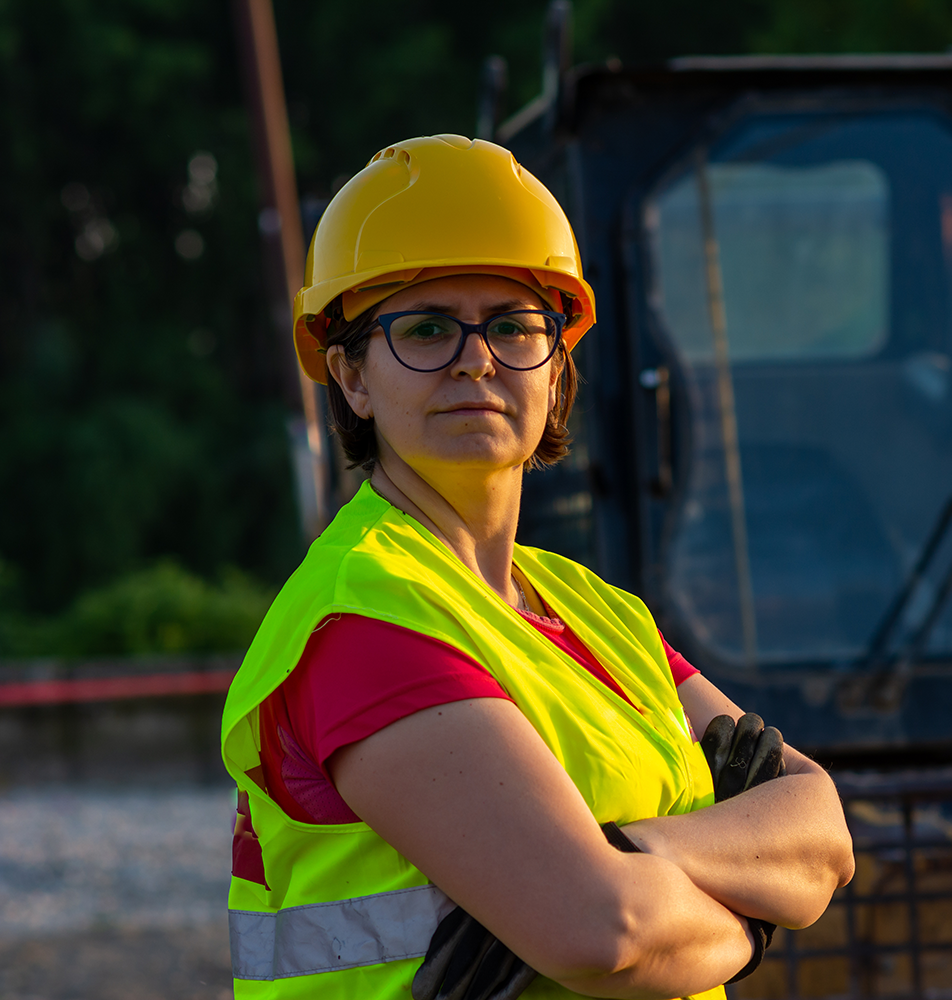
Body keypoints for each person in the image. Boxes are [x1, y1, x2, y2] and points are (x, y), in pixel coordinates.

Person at [220, 134, 855, 1000]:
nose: (476, 358)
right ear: (352, 376)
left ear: (556, 372)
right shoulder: (363, 616)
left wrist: (630, 851)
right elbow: (600, 931)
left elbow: (823, 835)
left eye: (514, 326)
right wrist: (750, 908)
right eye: (426, 328)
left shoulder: (599, 612)